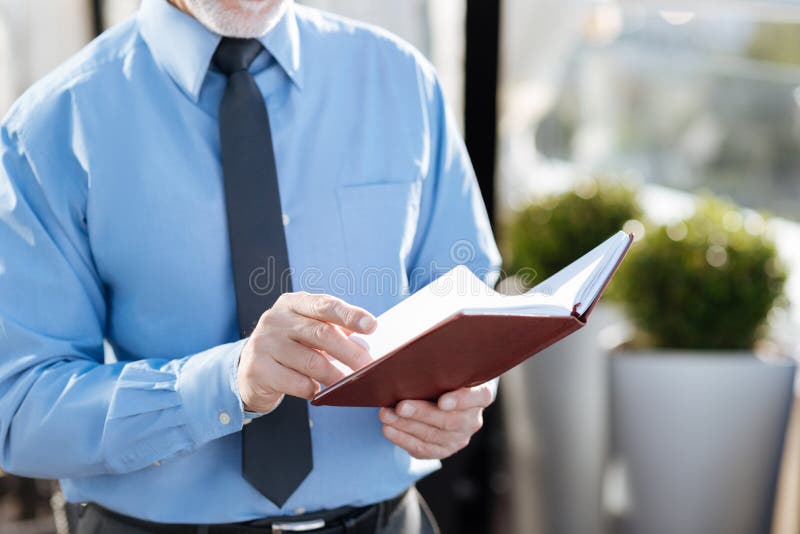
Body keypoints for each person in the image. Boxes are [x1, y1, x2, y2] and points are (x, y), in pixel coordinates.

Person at [0, 0, 502, 532]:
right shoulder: (50, 128)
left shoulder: (400, 80)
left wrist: (464, 395)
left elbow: (464, 299)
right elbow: (19, 409)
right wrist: (224, 384)